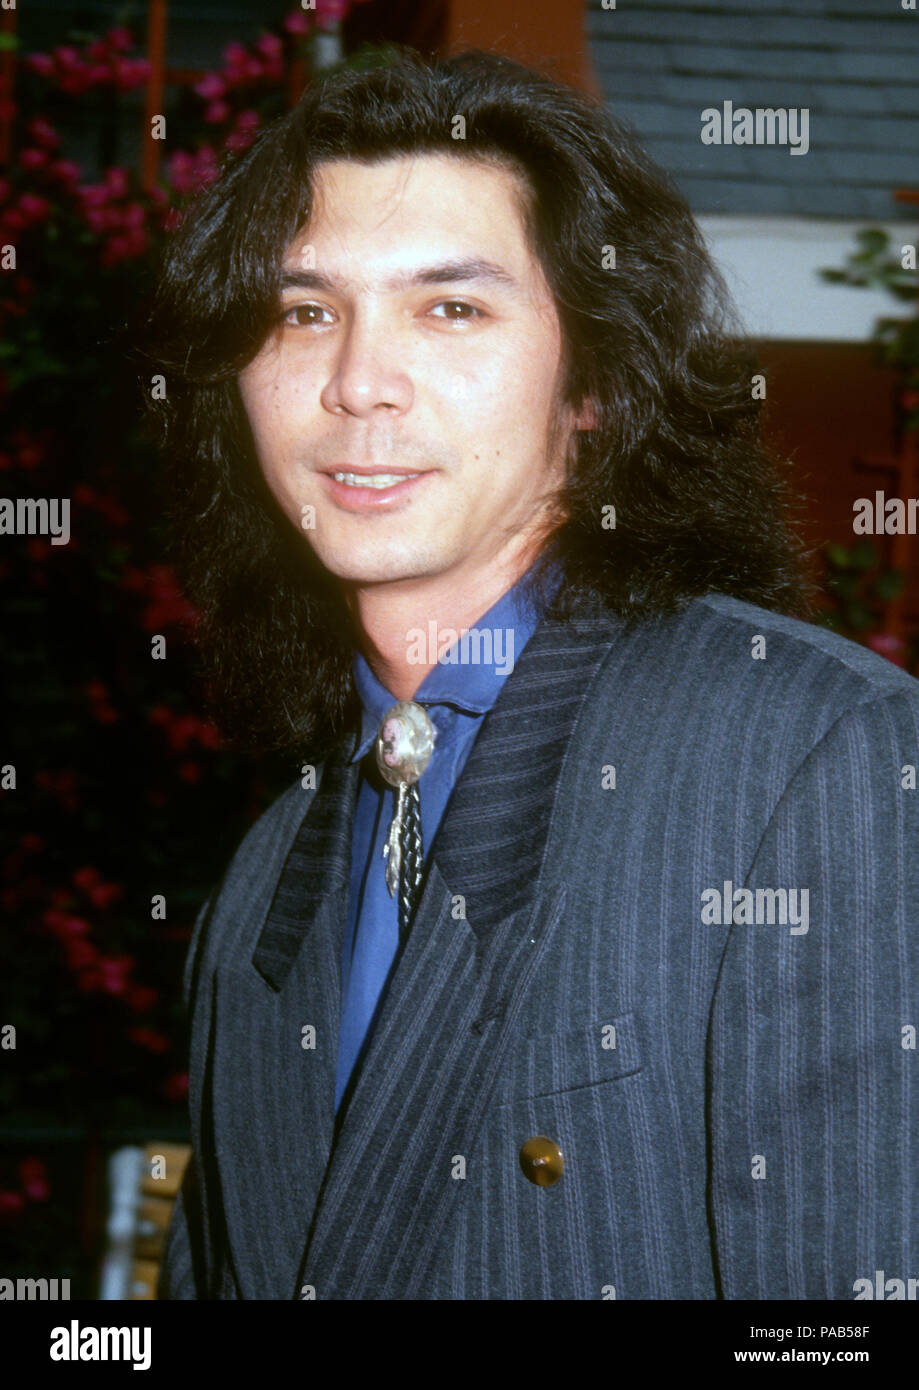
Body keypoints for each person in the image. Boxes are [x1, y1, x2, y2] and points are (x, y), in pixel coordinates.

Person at [145, 48, 919, 1300]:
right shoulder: (258, 892)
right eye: (304, 311)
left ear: (595, 383)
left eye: (452, 308)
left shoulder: (811, 768)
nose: (357, 385)